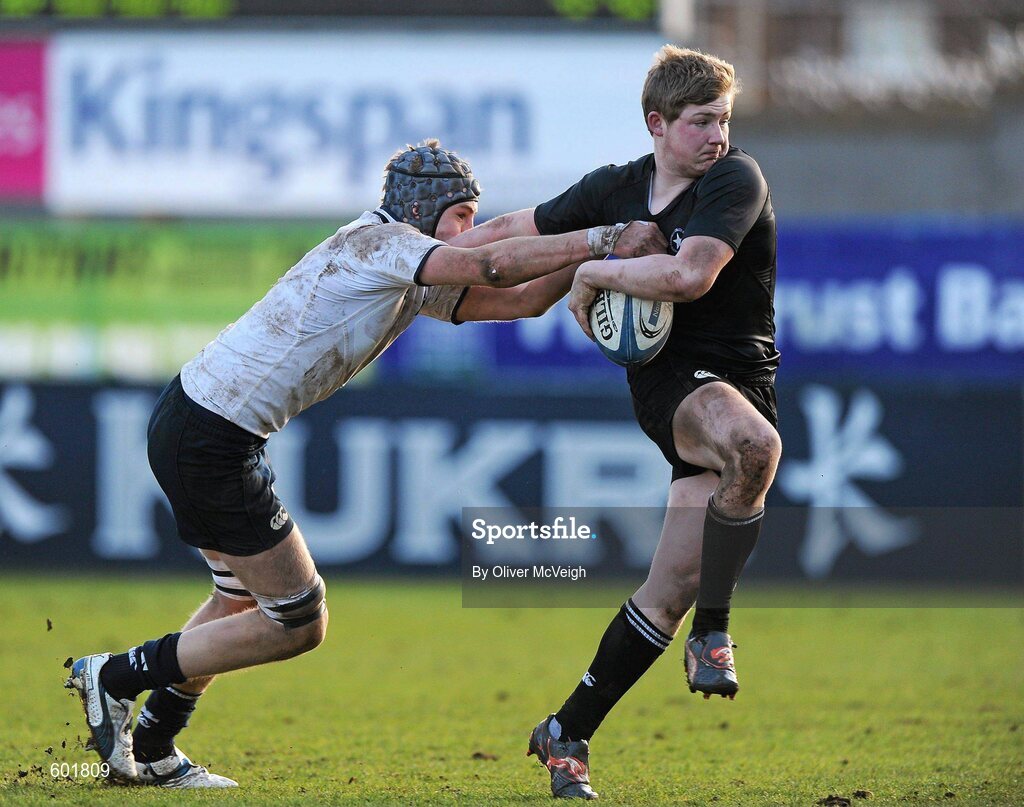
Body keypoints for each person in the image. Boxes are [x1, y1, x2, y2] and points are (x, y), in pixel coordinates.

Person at [64, 139, 666, 789]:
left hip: (201, 422)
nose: (470, 228)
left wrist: (593, 266)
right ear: (426, 210)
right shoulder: (381, 245)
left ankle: (154, 747)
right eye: (463, 215)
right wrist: (605, 237)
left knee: (239, 598)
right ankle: (115, 675)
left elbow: (519, 299)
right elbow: (492, 264)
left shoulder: (401, 264)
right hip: (210, 435)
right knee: (298, 619)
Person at [459, 46, 781, 799]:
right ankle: (715, 632)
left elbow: (690, 275)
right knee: (754, 447)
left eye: (723, 120)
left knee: (666, 591)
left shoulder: (736, 179)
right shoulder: (616, 186)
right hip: (671, 381)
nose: (717, 136)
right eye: (700, 122)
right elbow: (517, 225)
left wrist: (592, 271)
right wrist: (423, 258)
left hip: (745, 380)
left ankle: (565, 732)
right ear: (657, 125)